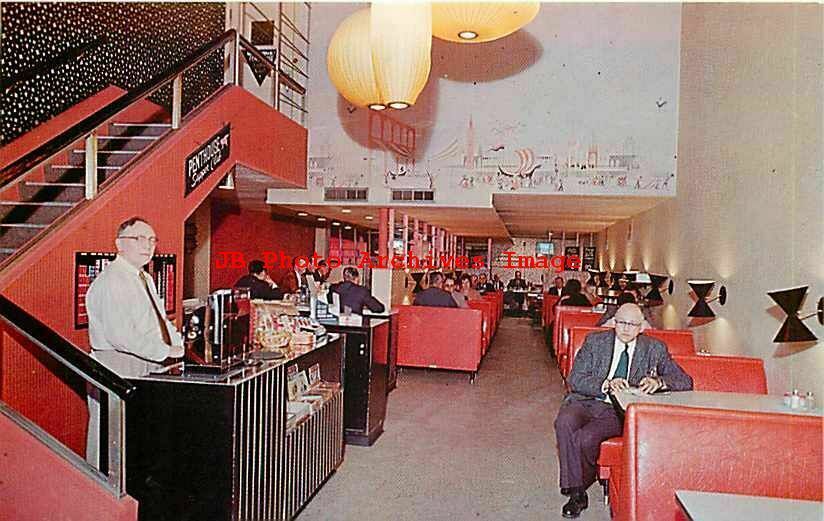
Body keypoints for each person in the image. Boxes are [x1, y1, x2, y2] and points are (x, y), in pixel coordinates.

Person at [554, 304, 693, 518]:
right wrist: (606, 383)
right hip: (587, 399)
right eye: (621, 323)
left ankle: (576, 490)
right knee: (564, 422)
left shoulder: (655, 348)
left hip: (616, 410)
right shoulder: (595, 342)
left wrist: (659, 382)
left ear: (641, 328)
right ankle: (577, 489)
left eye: (632, 324)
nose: (626, 329)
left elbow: (685, 380)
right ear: (613, 323)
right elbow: (575, 378)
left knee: (585, 439)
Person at [85, 217, 185, 465]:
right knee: (111, 437)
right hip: (120, 365)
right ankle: (103, 493)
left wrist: (178, 345)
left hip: (148, 362)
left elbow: (159, 318)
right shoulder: (113, 281)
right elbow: (122, 337)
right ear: (119, 244)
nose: (148, 245)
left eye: (152, 239)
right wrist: (166, 351)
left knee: (139, 437)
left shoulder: (143, 278)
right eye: (139, 238)